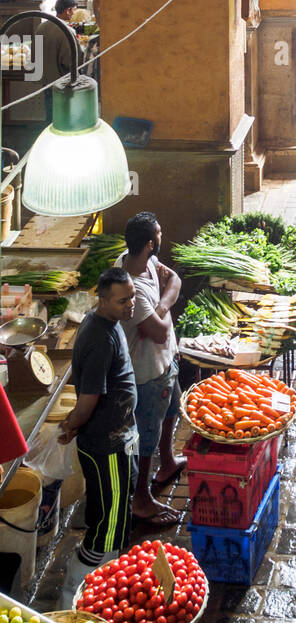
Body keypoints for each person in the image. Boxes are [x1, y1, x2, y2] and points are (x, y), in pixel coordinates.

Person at [58, 267, 139, 606]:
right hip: (108, 446)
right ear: (102, 300)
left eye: (132, 297)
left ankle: (96, 591)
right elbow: (88, 399)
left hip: (116, 436)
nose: (131, 305)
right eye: (123, 301)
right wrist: (72, 425)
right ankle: (76, 599)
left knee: (106, 512)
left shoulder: (105, 323)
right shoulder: (99, 339)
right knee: (108, 526)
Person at [115, 211, 184, 524]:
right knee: (147, 436)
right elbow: (159, 332)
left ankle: (168, 462)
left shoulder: (144, 263)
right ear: (148, 244)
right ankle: (141, 497)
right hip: (148, 374)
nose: (162, 236)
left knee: (172, 412)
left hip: (165, 361)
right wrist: (162, 312)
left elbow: (175, 281)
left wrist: (162, 307)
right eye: (158, 233)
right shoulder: (134, 288)